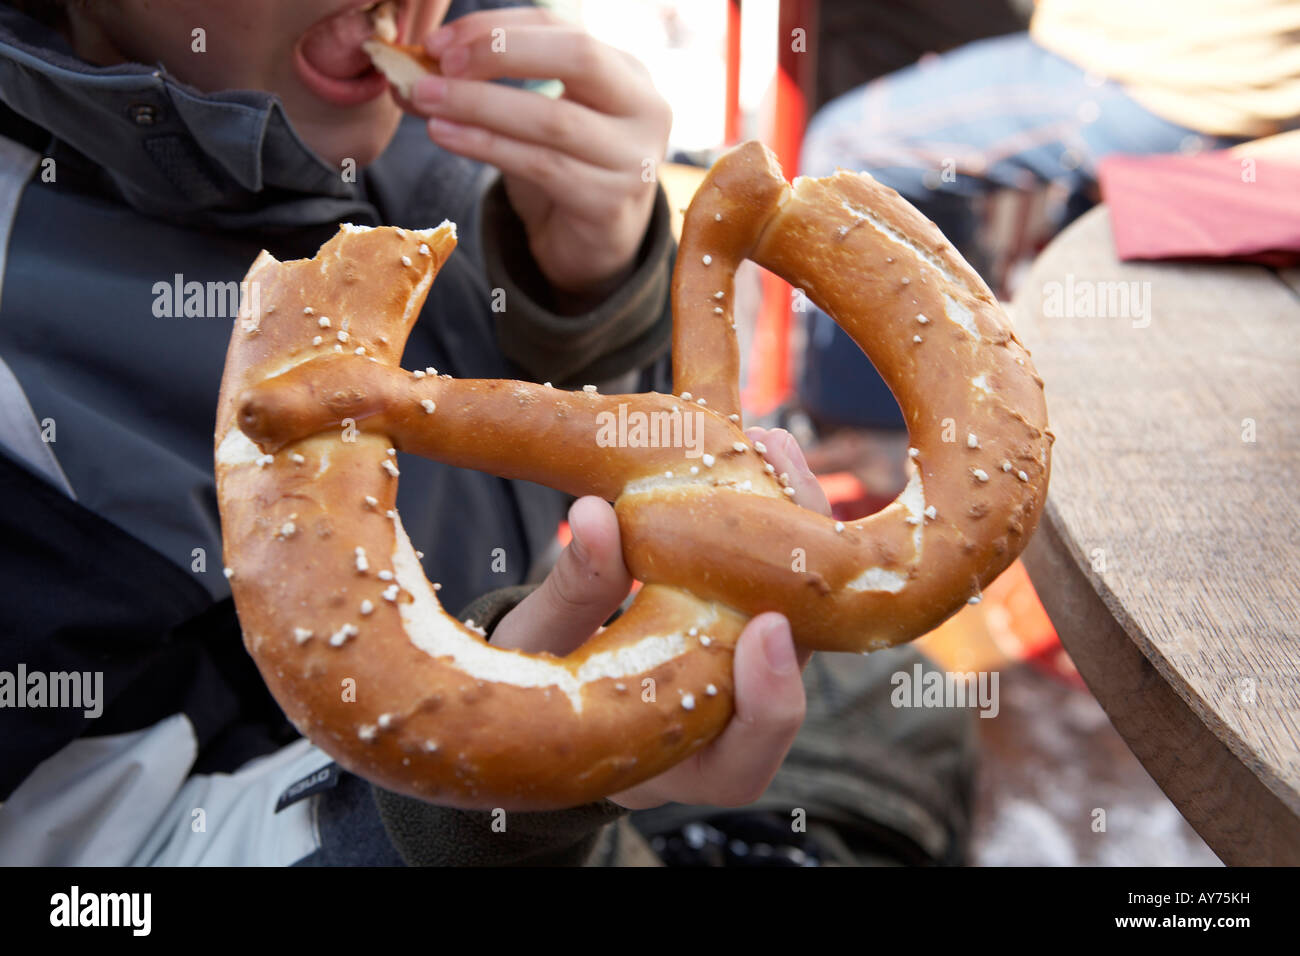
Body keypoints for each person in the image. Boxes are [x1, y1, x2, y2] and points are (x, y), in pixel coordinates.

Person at [0, 0, 974, 866]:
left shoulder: (444, 100)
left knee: (898, 695)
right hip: (353, 820)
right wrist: (471, 808)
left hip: (587, 686)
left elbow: (594, 473)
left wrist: (582, 296)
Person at [798, 0, 1300, 430]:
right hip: (1253, 68)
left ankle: (879, 430)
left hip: (1169, 77)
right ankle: (954, 332)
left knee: (844, 147)